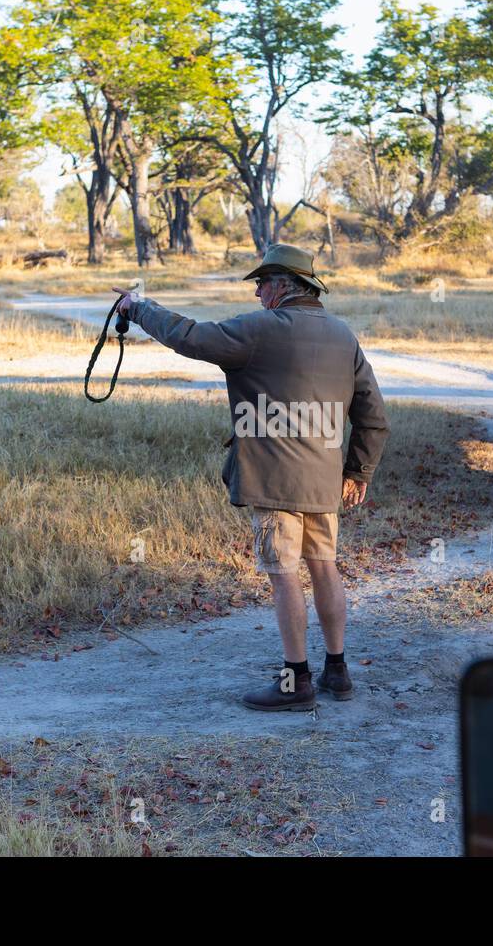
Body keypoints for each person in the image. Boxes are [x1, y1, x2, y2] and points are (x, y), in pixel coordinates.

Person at [112, 244, 389, 712]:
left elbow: (190, 337)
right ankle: (337, 672)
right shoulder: (343, 336)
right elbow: (374, 416)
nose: (257, 290)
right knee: (324, 566)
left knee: (283, 576)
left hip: (274, 479)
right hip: (325, 479)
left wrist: (140, 308)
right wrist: (357, 469)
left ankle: (296, 681)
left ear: (283, 285)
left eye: (262, 282)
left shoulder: (259, 330)